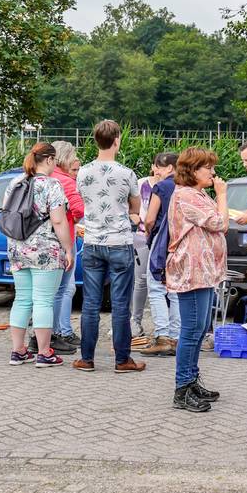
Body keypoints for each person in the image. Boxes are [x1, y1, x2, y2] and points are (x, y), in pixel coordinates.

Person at [74, 120, 146, 373]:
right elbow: (135, 206)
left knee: (90, 303)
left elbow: (84, 201)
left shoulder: (83, 172)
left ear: (96, 141)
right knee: (120, 303)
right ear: (117, 140)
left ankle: (87, 358)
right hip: (119, 242)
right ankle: (122, 359)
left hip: (92, 241)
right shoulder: (126, 173)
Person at [164, 147, 229, 411]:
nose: (213, 172)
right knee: (191, 331)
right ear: (192, 170)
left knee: (200, 329)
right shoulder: (186, 195)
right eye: (208, 167)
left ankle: (191, 380)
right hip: (192, 271)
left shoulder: (197, 194)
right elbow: (219, 222)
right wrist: (222, 195)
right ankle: (182, 389)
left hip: (204, 271)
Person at [3, 142, 76, 368]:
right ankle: (44, 353)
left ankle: (18, 351)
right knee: (43, 300)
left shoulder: (15, 182)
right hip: (45, 250)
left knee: (22, 298)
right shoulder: (52, 184)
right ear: (50, 160)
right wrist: (68, 249)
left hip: (17, 248)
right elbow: (58, 220)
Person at [139, 152, 181, 357]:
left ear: (170, 168)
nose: (156, 171)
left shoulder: (162, 186)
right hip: (180, 242)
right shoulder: (186, 186)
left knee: (156, 287)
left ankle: (162, 336)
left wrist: (149, 233)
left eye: (159, 167)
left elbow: (149, 219)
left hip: (162, 241)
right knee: (175, 290)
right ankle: (176, 337)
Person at [49, 141, 83, 354]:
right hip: (64, 240)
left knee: (47, 292)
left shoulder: (43, 178)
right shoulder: (66, 182)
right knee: (62, 290)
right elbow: (79, 210)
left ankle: (49, 333)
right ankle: (57, 334)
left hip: (44, 242)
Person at [130, 158, 164, 342]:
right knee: (140, 280)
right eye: (156, 166)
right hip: (142, 236)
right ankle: (135, 321)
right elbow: (130, 207)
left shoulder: (169, 186)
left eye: (162, 167)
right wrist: (134, 218)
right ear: (152, 167)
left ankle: (164, 326)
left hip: (161, 237)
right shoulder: (141, 184)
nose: (158, 170)